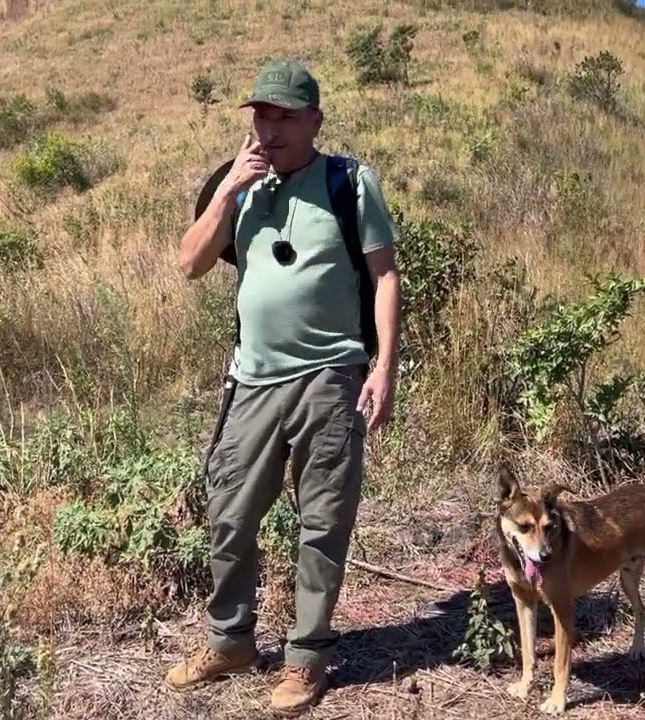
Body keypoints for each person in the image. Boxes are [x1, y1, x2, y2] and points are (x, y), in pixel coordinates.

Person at [165, 58, 403, 715]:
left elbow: (384, 276)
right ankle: (230, 641)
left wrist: (383, 366)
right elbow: (189, 263)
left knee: (322, 522)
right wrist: (226, 193)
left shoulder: (348, 182)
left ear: (314, 121)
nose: (268, 130)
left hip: (330, 375)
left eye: (284, 117)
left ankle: (305, 659)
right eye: (260, 117)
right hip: (253, 379)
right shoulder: (236, 187)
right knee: (229, 512)